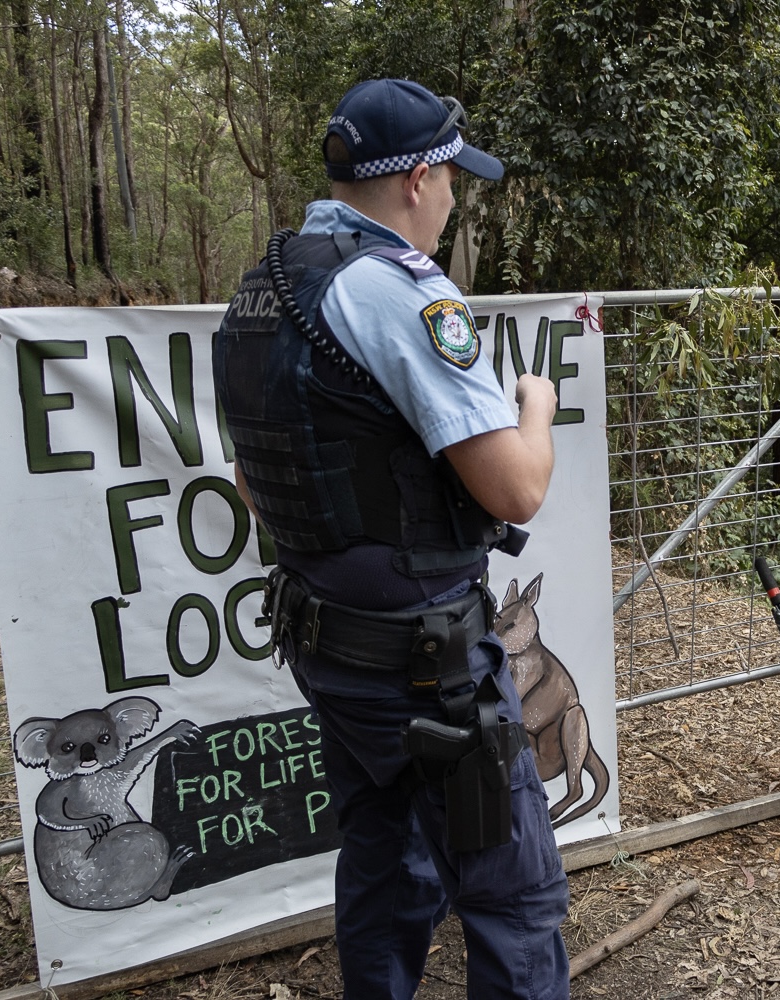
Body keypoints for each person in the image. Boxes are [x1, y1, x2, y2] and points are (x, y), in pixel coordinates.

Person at [214, 78, 570, 998]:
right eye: (452, 179)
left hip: (327, 644)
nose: (453, 199)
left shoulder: (265, 287)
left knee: (386, 857)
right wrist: (537, 406)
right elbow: (518, 488)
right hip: (425, 663)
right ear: (418, 179)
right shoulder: (399, 292)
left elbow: (257, 482)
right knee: (514, 894)